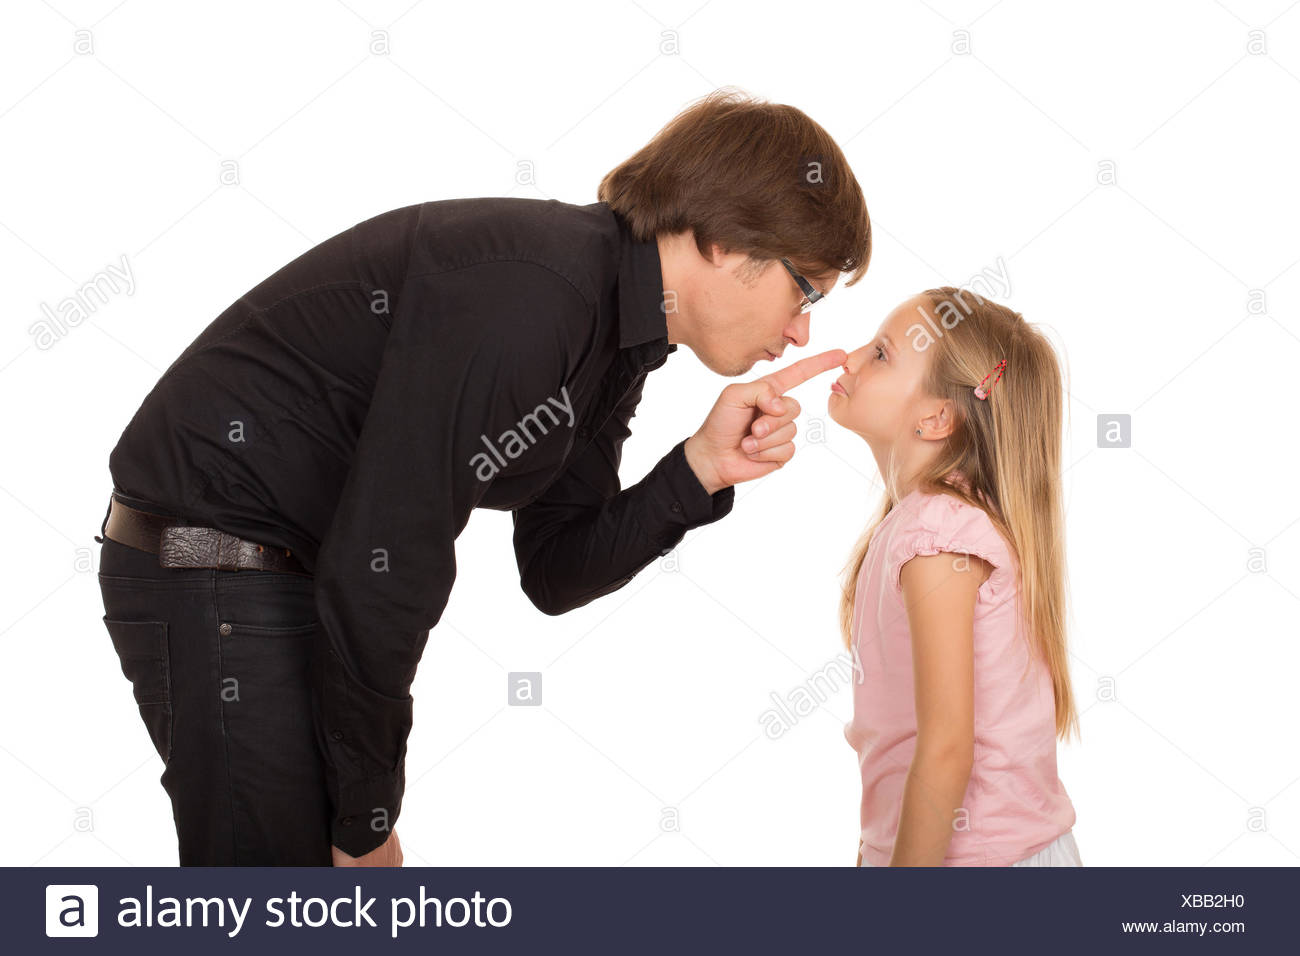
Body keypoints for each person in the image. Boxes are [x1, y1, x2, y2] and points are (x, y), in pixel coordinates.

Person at [95, 88, 871, 865]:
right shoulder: (540, 296)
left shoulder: (622, 332)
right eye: (804, 289)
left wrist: (698, 469)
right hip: (214, 559)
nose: (802, 328)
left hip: (292, 573)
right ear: (727, 242)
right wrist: (363, 819)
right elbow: (391, 559)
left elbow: (556, 569)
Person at [831, 287, 1082, 867]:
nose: (850, 358)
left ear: (937, 417)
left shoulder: (937, 537)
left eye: (881, 355)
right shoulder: (923, 522)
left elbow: (946, 749)